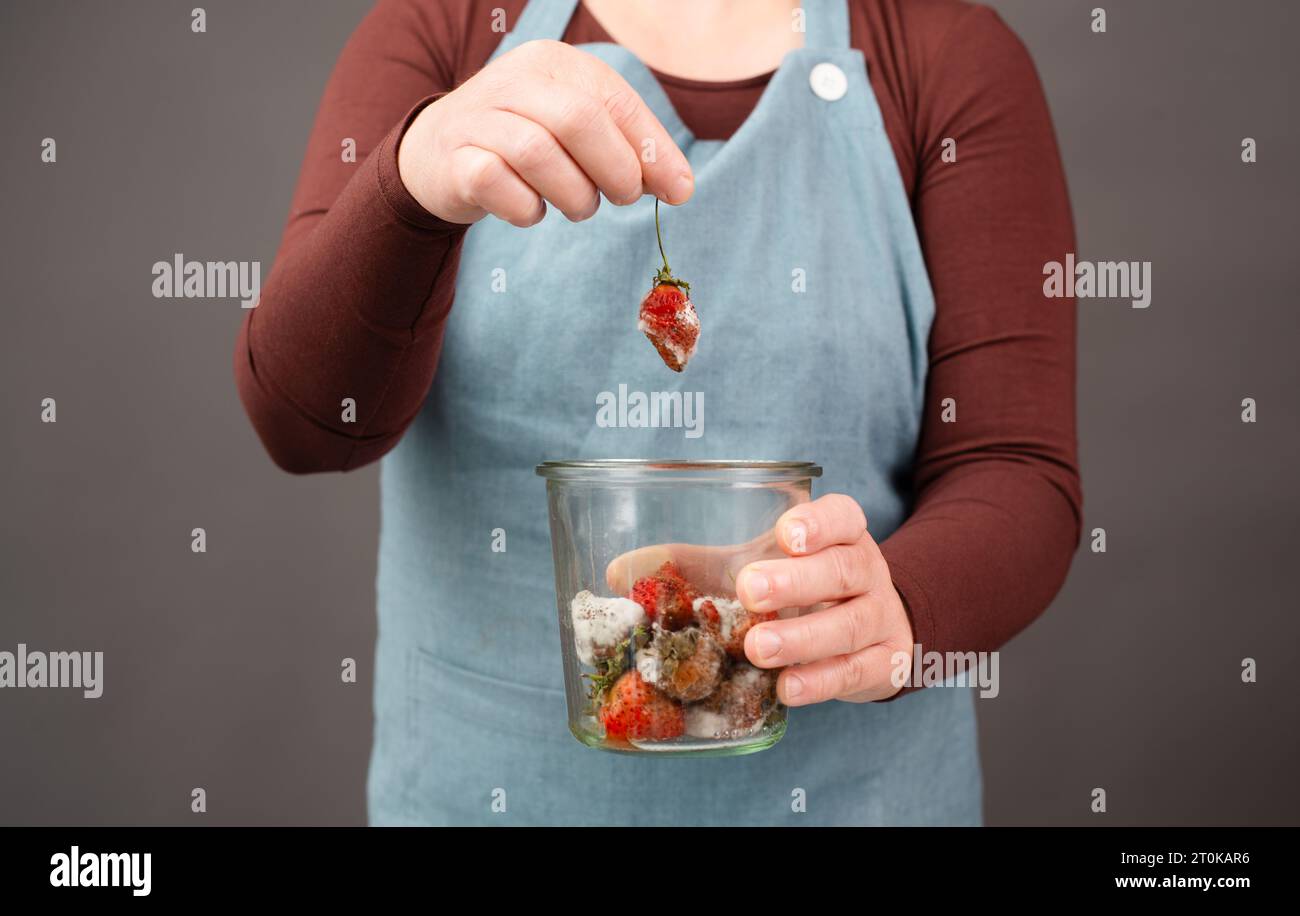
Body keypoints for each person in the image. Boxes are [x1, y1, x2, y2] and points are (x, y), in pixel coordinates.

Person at [234, 0, 1081, 826]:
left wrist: (896, 603)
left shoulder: (948, 52)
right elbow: (305, 425)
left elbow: (1014, 467)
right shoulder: (444, 22)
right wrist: (412, 181)